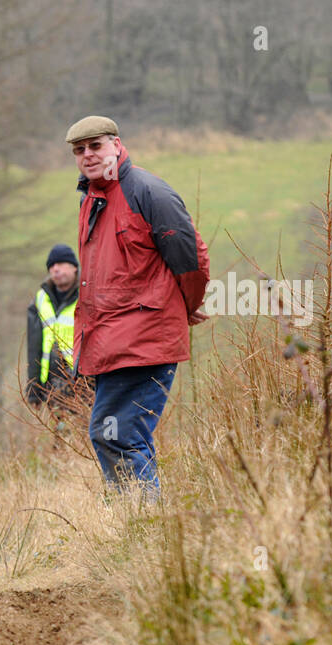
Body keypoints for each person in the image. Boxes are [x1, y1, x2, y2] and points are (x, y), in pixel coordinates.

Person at [66, 115, 210, 496]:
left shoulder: (148, 192)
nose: (87, 155)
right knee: (110, 433)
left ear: (116, 144)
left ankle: (143, 525)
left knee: (121, 435)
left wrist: (184, 305)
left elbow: (190, 258)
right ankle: (135, 522)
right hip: (111, 340)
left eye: (95, 145)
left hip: (142, 341)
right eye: (79, 150)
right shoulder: (93, 199)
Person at [25, 243, 90, 411]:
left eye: (60, 264)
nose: (55, 269)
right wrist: (34, 389)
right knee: (61, 434)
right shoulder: (40, 299)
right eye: (51, 266)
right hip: (52, 384)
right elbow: (34, 347)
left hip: (86, 383)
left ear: (75, 267)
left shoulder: (88, 294)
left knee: (86, 432)